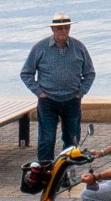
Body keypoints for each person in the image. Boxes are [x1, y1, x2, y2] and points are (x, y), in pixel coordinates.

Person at [20, 15, 95, 165]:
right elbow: (26, 73)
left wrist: (80, 93)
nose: (63, 30)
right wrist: (39, 93)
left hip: (72, 100)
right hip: (48, 101)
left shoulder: (79, 47)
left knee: (72, 139)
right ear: (53, 29)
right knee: (47, 139)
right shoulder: (40, 48)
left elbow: (89, 73)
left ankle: (67, 171)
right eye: (60, 28)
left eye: (66, 27)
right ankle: (45, 171)